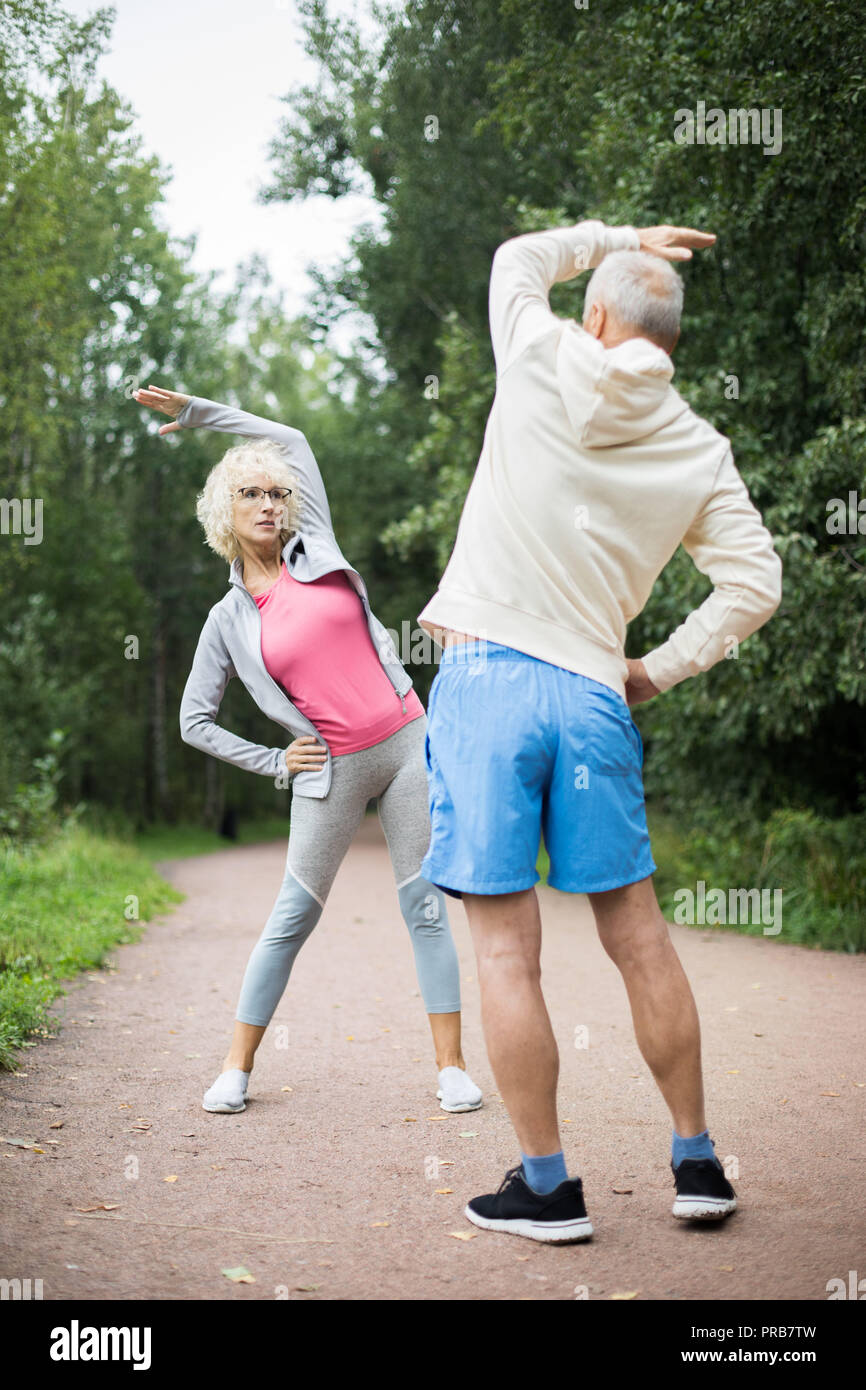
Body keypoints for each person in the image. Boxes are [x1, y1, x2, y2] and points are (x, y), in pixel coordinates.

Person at [417, 218, 783, 1241]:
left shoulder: (538, 353)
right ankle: (696, 1161)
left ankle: (547, 1186)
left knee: (502, 954)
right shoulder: (696, 446)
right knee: (636, 936)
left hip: (487, 676)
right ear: (669, 342)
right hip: (590, 692)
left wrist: (618, 233)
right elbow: (754, 584)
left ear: (597, 314)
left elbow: (511, 261)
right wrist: (653, 670)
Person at [132, 385, 483, 1116]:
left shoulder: (314, 544)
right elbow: (194, 722)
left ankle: (451, 1068)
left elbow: (290, 432)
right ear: (224, 513)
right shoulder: (228, 619)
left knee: (424, 905)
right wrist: (273, 760)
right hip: (330, 768)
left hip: (406, 740)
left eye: (275, 493)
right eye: (250, 494)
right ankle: (235, 1067)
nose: (268, 504)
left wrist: (199, 412)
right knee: (292, 915)